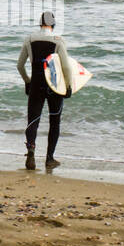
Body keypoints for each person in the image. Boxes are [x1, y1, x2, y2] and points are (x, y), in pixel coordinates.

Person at [16, 10, 75, 171]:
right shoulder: (58, 41)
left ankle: (31, 151)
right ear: (53, 25)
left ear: (39, 23)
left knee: (33, 120)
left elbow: (19, 66)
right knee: (54, 121)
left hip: (36, 84)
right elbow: (66, 67)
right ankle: (49, 159)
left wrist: (28, 82)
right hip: (55, 86)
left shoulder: (29, 39)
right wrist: (68, 86)